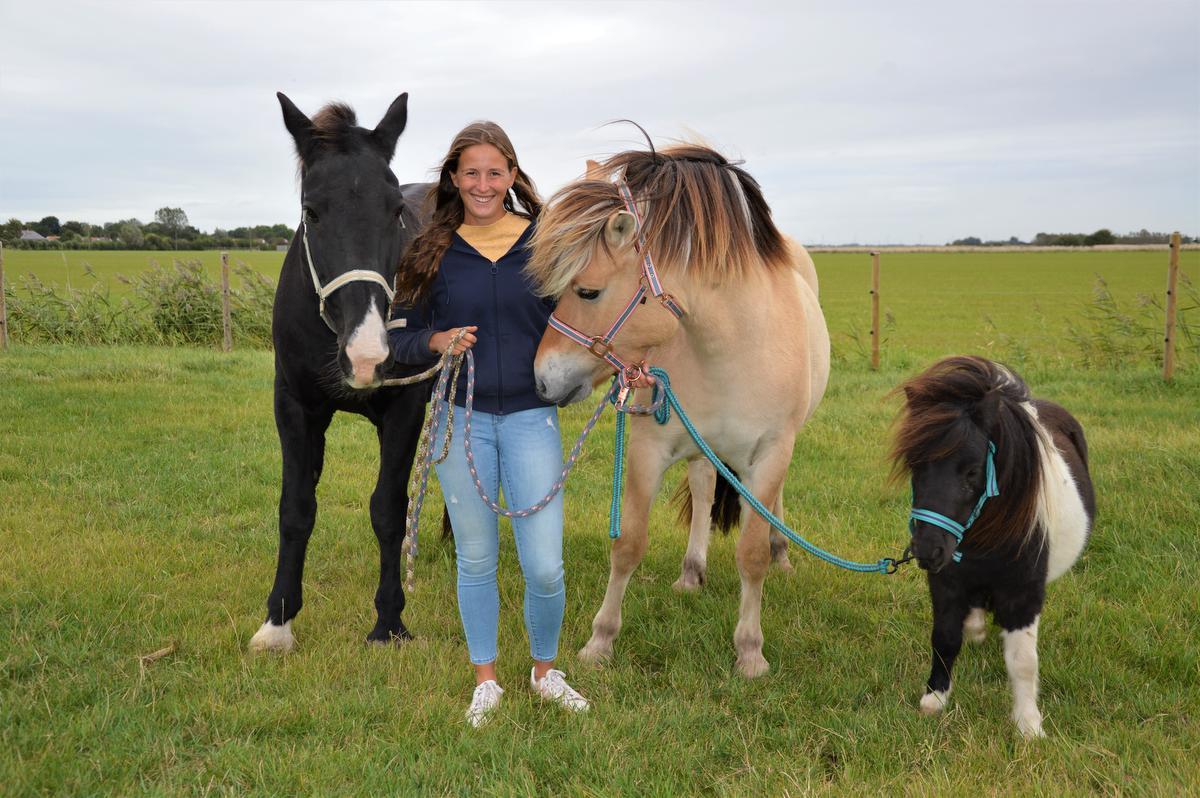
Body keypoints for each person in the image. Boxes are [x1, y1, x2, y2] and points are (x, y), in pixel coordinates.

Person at [389, 121, 589, 728]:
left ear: (511, 175)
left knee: (545, 564)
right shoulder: (432, 249)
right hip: (461, 420)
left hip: (532, 418)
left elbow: (580, 323)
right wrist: (437, 339)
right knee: (476, 557)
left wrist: (624, 365)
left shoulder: (544, 242)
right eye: (470, 173)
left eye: (493, 172)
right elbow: (399, 338)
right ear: (453, 178)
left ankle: (545, 671)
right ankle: (486, 679)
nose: (482, 184)